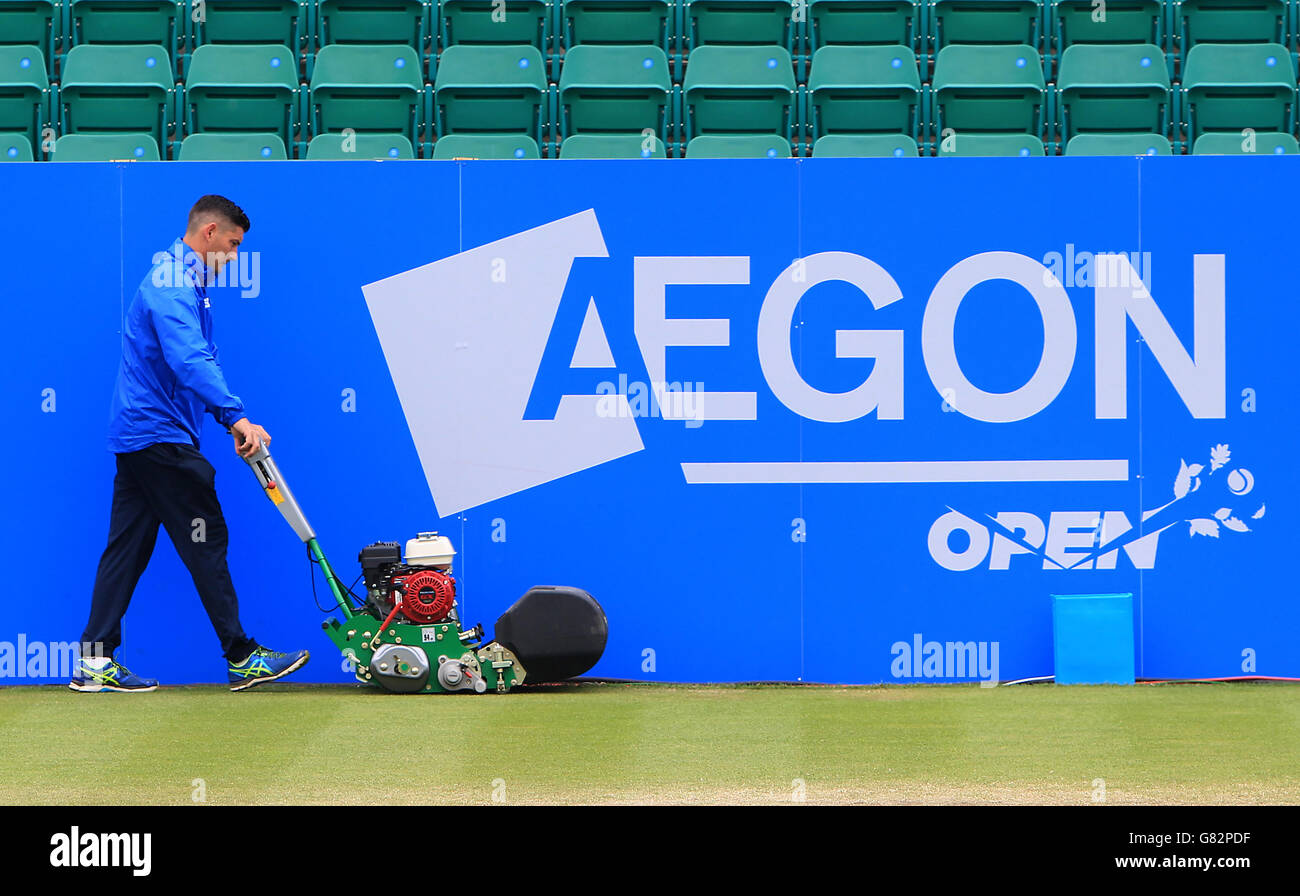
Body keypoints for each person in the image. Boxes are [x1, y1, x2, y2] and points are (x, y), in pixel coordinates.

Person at [72, 194, 309, 693]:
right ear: (209, 234)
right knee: (207, 541)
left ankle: (94, 658)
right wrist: (238, 418)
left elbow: (197, 362)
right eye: (233, 243)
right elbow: (189, 361)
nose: (235, 256)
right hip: (158, 439)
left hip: (144, 438)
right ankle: (242, 656)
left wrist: (229, 422)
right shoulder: (171, 284)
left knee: (127, 549)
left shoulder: (187, 285)